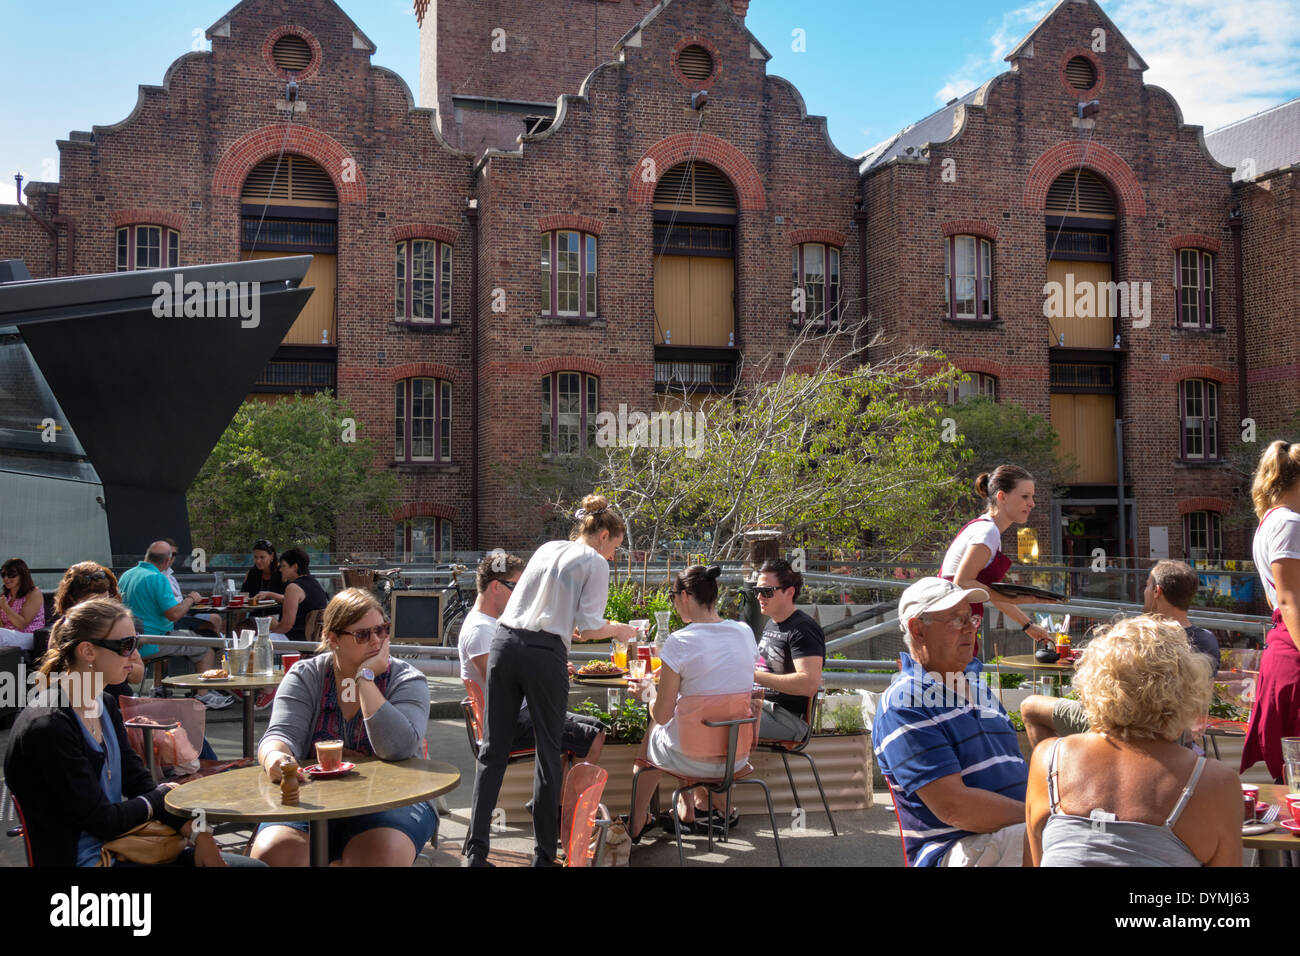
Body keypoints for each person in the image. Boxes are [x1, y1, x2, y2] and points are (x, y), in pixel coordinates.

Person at [2, 598, 261, 867]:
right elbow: (103, 820)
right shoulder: (50, 725)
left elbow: (138, 781)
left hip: (123, 848)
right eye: (126, 646)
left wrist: (199, 832)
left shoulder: (104, 704)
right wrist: (159, 798)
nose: (136, 656)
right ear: (88, 651)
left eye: (136, 643)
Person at [464, 494, 639, 867]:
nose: (612, 557)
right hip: (544, 654)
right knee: (548, 755)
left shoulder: (547, 548)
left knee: (492, 750)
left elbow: (547, 611)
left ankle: (475, 850)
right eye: (614, 549)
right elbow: (589, 628)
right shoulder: (595, 562)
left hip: (504, 642)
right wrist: (620, 630)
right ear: (604, 535)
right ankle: (544, 857)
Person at [1026, 615, 1242, 866]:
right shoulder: (1214, 781)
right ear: (1185, 690)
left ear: (1094, 682)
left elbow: (1035, 860)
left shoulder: (1049, 759)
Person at [252, 588, 435, 866]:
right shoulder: (306, 676)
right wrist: (275, 757)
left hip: (394, 800)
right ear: (333, 638)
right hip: (313, 799)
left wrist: (365, 679)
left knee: (377, 857)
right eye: (362, 634)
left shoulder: (406, 678)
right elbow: (280, 735)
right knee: (274, 853)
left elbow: (398, 748)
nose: (376, 640)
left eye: (381, 630)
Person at [874, 577, 1028, 866]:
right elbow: (954, 807)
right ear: (917, 630)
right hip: (954, 848)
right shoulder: (904, 702)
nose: (970, 627)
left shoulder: (979, 688)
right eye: (955, 620)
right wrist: (1042, 815)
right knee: (1070, 843)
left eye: (970, 617)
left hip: (1006, 837)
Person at [1021, 559, 1222, 747]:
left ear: (1157, 592)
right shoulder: (1206, 640)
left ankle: (1057, 776)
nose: (1144, 591)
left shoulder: (1140, 636)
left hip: (1124, 727)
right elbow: (1200, 707)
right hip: (1176, 735)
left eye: (1146, 586)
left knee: (1031, 707)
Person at [625, 565, 758, 842]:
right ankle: (685, 811)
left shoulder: (679, 641)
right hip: (736, 758)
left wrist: (648, 693)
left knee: (656, 730)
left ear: (685, 596)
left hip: (692, 759)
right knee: (684, 721)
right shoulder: (745, 632)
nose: (673, 604)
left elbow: (661, 716)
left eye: (673, 596)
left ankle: (636, 822)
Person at [457, 551, 606, 794]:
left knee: (596, 730)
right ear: (496, 586)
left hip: (520, 714)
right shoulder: (480, 631)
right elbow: (502, 685)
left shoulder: (493, 624)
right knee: (589, 737)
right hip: (508, 723)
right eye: (516, 587)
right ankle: (565, 812)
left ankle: (552, 802)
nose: (522, 594)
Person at [940, 465, 1054, 654]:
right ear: (1002, 497)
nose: (1032, 503)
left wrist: (1028, 625)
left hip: (957, 624)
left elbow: (986, 591)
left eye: (1032, 497)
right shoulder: (987, 532)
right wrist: (1020, 599)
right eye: (1025, 496)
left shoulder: (987, 530)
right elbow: (964, 583)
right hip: (952, 626)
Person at [1241, 440, 1300, 781]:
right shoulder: (1290, 522)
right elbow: (1290, 599)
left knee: (1291, 773)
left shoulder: (1270, 521)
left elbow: (1275, 599)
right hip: (1293, 654)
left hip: (1283, 649)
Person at [116, 543, 220, 682]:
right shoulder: (157, 578)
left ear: (147, 556)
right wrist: (191, 599)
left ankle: (160, 687)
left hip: (129, 642)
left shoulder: (127, 575)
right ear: (166, 562)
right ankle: (205, 695)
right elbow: (174, 614)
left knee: (197, 634)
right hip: (152, 642)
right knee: (206, 645)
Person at [752, 558, 824, 742]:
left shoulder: (803, 628)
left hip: (787, 719)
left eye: (766, 591)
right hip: (761, 707)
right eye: (757, 591)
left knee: (719, 723)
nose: (759, 597)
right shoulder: (772, 624)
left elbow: (809, 684)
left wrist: (752, 675)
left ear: (789, 592)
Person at [263, 547, 327, 643]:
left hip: (295, 641)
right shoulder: (316, 584)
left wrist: (272, 625)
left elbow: (286, 626)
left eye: (284, 566)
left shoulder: (293, 588)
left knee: (252, 643)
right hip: (315, 641)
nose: (280, 570)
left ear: (295, 567)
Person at [0, 557, 45, 650]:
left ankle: (21, 665)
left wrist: (5, 607)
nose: (6, 578)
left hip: (28, 636)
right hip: (7, 635)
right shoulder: (5, 596)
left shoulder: (33, 593)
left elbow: (22, 624)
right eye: (3, 574)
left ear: (22, 575)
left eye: (11, 574)